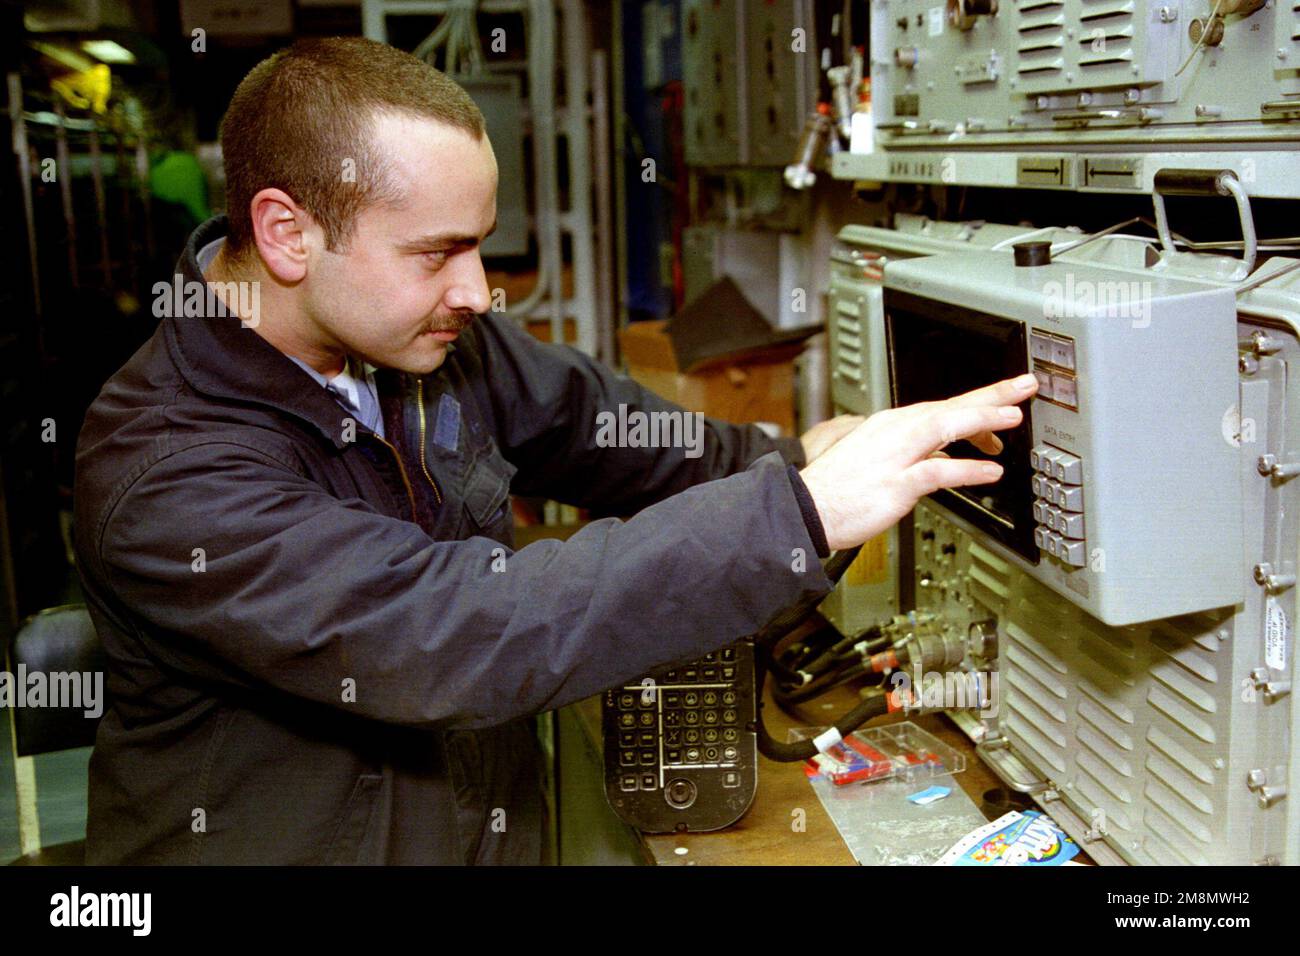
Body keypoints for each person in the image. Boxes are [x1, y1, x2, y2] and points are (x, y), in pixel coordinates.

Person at [73, 37, 1036, 864]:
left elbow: (606, 432)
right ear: (288, 232)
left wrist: (790, 457)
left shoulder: (419, 342)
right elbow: (453, 630)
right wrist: (799, 512)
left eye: (482, 245)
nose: (475, 289)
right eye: (435, 251)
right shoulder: (168, 473)